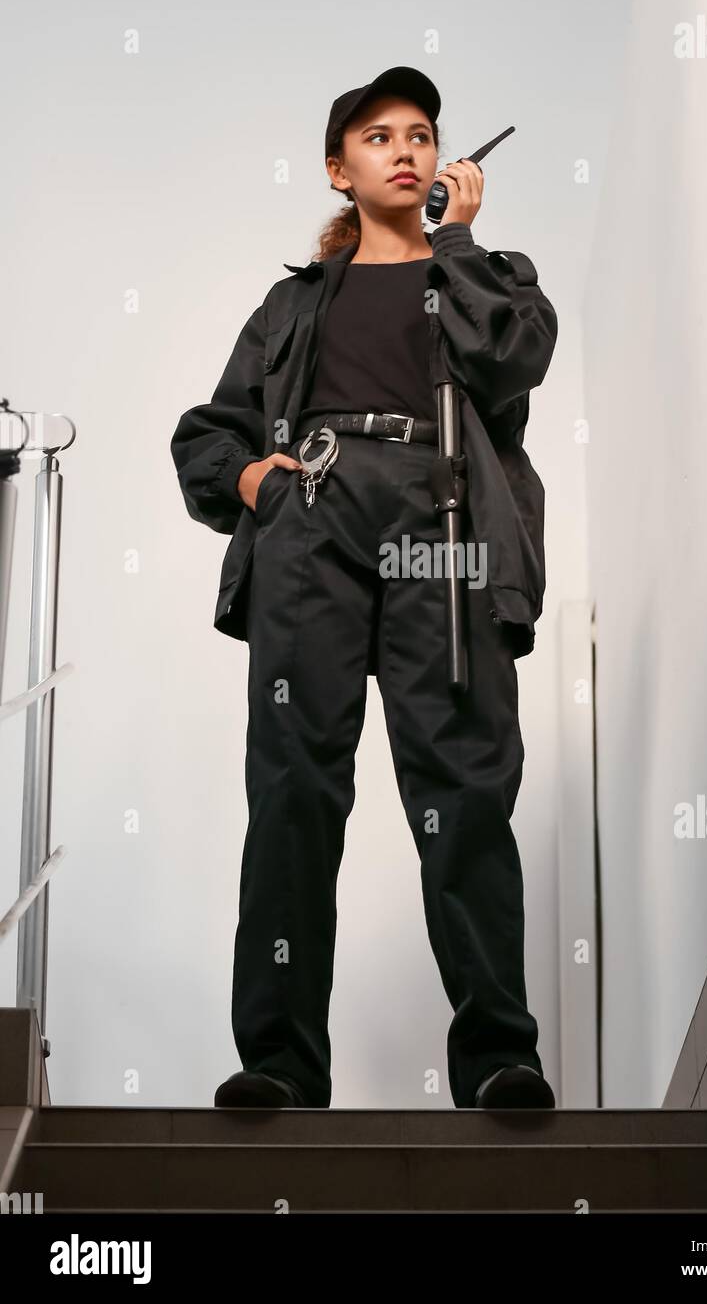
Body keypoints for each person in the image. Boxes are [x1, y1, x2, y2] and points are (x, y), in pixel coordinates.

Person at [170, 66, 558, 1111]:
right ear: (340, 170)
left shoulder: (484, 273)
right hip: (313, 524)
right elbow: (210, 431)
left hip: (444, 523)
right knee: (296, 788)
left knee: (464, 784)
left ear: (440, 164)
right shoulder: (293, 302)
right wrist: (251, 477)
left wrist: (462, 246)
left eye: (420, 134)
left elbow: (515, 358)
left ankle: (497, 1057)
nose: (403, 149)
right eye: (377, 136)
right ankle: (280, 1064)